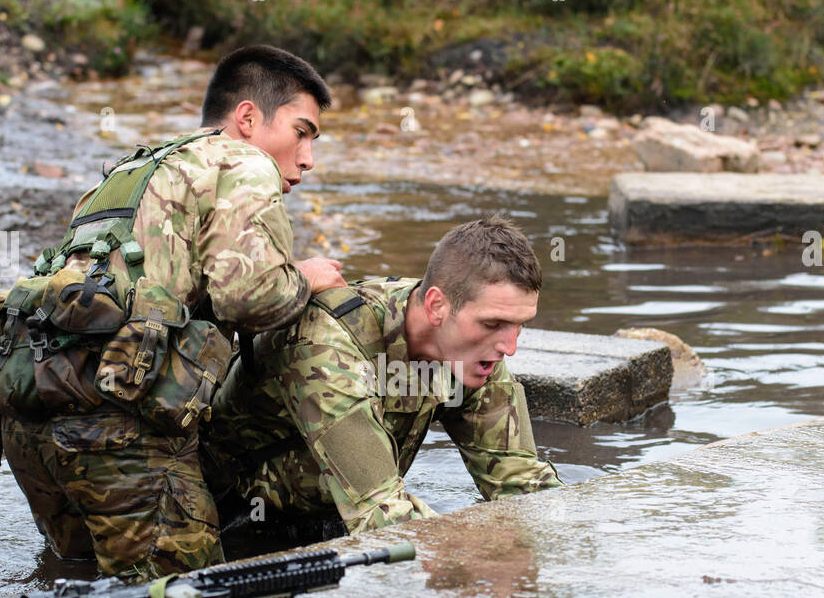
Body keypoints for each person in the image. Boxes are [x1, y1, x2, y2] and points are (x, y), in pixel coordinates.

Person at [0, 44, 346, 580]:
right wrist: (306, 276)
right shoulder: (243, 163)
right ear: (248, 118)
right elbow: (248, 296)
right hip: (116, 432)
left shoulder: (129, 170)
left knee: (74, 586)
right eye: (302, 132)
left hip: (28, 423)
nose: (308, 159)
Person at [204, 214, 563, 538]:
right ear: (437, 306)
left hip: (335, 513)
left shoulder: (469, 345)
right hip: (235, 516)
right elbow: (386, 520)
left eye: (518, 326)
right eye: (493, 324)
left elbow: (521, 482)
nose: (510, 346)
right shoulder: (328, 346)